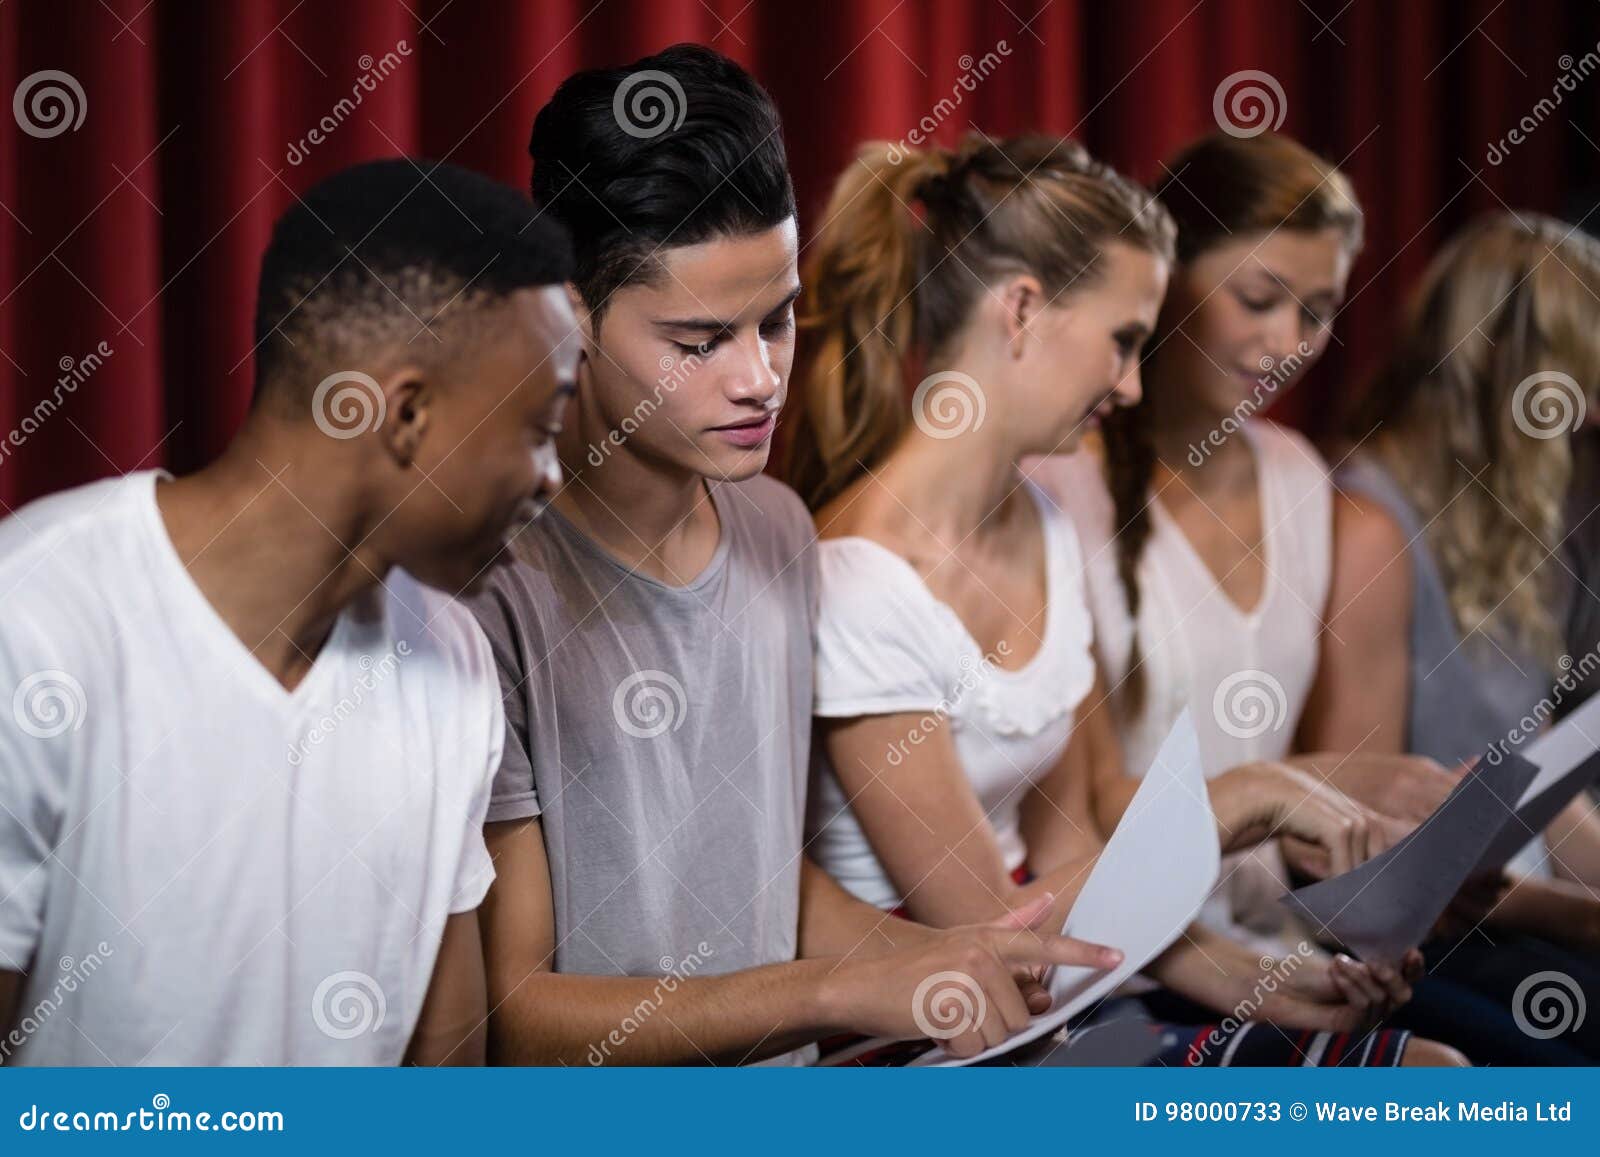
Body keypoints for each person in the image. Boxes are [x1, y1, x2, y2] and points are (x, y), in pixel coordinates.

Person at [468, 44, 1116, 1068]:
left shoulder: (777, 529)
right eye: (698, 341)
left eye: (775, 320)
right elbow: (518, 1010)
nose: (759, 377)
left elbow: (757, 881)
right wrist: (839, 988)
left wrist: (949, 958)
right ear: (571, 316)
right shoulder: (489, 589)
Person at [788, 131, 1460, 1067]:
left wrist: (1255, 980)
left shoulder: (1045, 521)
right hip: (938, 1043)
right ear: (1020, 310)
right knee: (1428, 1085)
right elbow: (995, 937)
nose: (1133, 382)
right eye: (1123, 341)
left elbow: (1074, 844)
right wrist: (1241, 798)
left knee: (1427, 1068)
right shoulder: (860, 578)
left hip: (1064, 1001)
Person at [0, 158, 582, 1065]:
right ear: (407, 414)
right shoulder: (35, 625)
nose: (552, 477)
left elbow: (445, 1085)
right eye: (543, 428)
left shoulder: (454, 664)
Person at [1305, 211, 1600, 1062]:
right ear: (1501, 371)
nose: (1586, 422)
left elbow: (1539, 790)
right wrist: (1585, 914)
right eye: (1577, 386)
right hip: (1424, 942)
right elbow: (1360, 856)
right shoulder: (1370, 525)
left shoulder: (1517, 521)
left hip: (1516, 918)